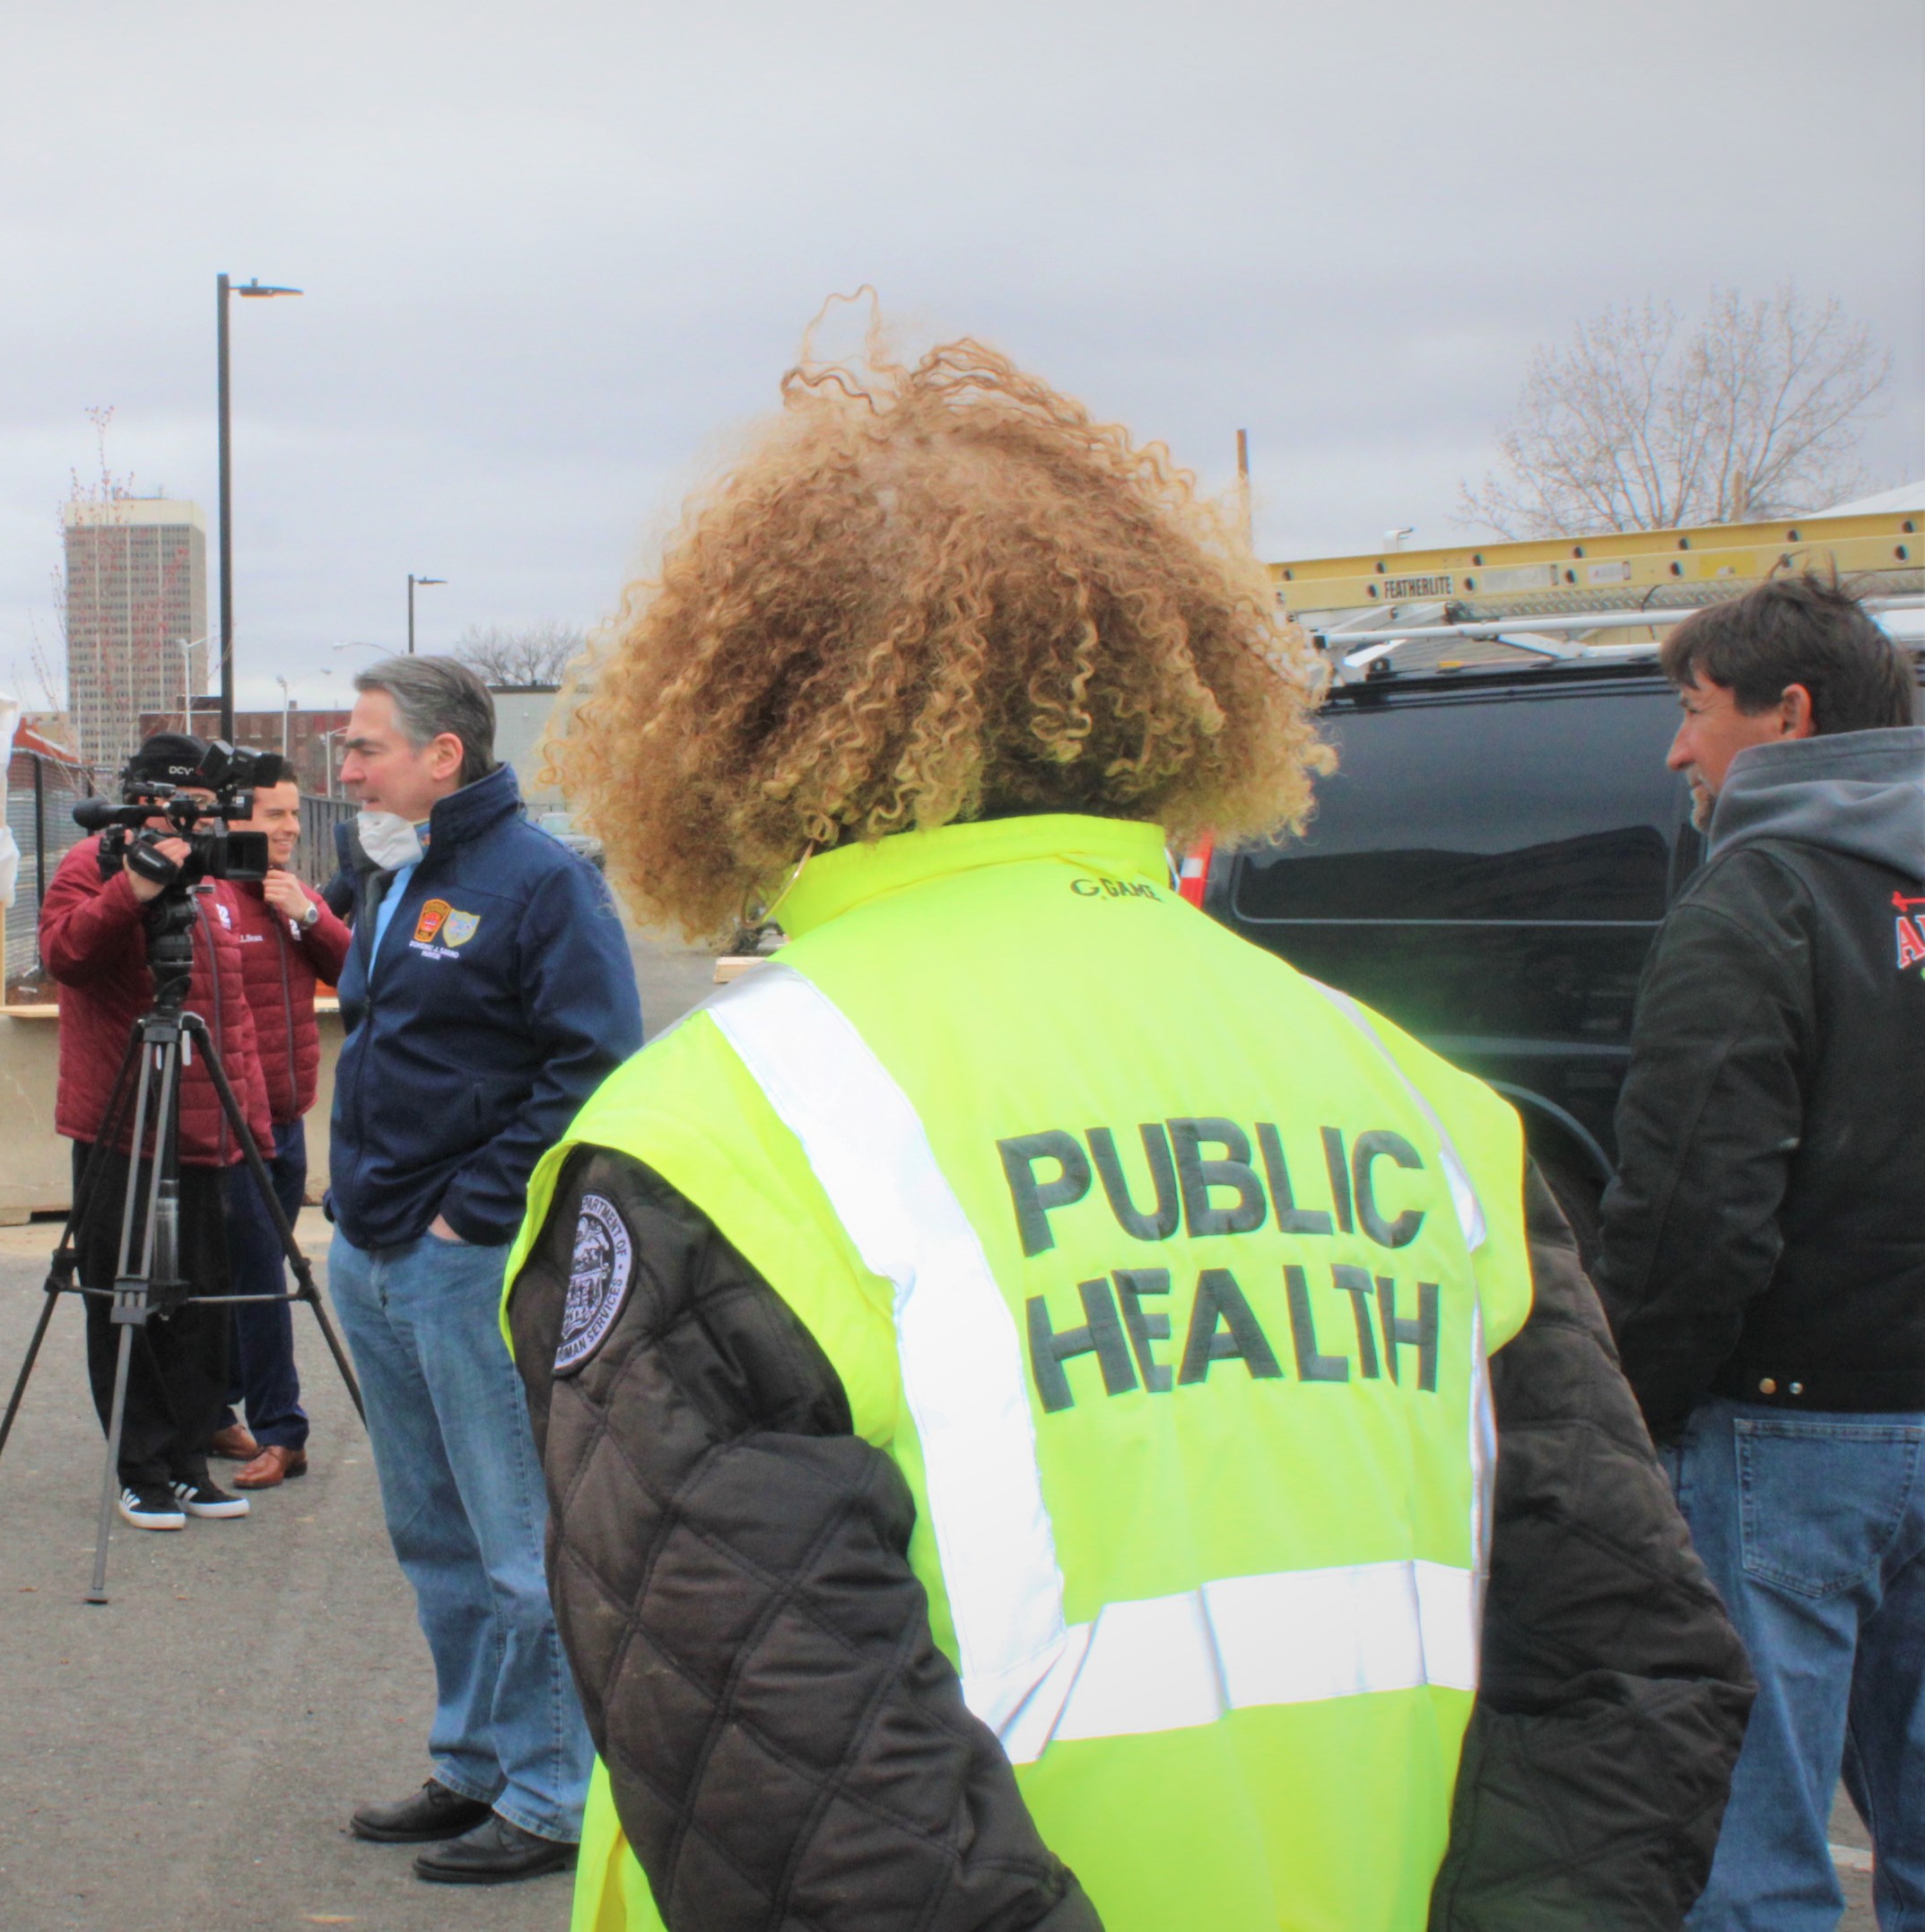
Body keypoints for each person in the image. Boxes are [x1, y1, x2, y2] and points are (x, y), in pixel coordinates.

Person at [503, 334, 1753, 1931]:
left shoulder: (724, 1130)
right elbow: (1632, 1667)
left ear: (741, 718)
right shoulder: (1413, 1096)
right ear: (1171, 692)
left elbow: (790, 1802)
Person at [1596, 575, 1925, 1929]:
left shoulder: (1753, 904)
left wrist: (1631, 1409)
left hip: (1787, 1439)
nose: (1677, 751)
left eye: (1692, 712)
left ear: (1784, 717)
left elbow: (1689, 1215)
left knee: (1750, 1861)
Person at [327, 654, 642, 1885]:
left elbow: (593, 1065)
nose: (344, 767)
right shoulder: (396, 870)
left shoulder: (540, 883)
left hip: (463, 1261)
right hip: (372, 1246)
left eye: (363, 746)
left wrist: (474, 1212)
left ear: (441, 754)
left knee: (515, 1538)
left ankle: (553, 1791)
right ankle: (470, 1760)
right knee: (431, 1530)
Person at [39, 735, 271, 1531]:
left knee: (201, 1299)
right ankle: (138, 1466)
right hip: (122, 1122)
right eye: (185, 810)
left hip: (206, 1122)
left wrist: (252, 1113)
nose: (194, 828)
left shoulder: (215, 877)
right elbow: (63, 955)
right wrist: (131, 889)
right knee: (124, 1296)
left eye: (207, 812)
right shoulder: (92, 863)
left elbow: (231, 1008)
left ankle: (189, 1459)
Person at [210, 759, 349, 1487]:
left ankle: (217, 1411)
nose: (291, 829)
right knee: (261, 1276)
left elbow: (357, 975)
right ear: (237, 820)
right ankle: (282, 1431)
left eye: (294, 815)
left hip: (290, 1117)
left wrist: (310, 914)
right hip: (239, 1123)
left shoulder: (294, 899)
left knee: (251, 1267)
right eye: (275, 816)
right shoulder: (213, 900)